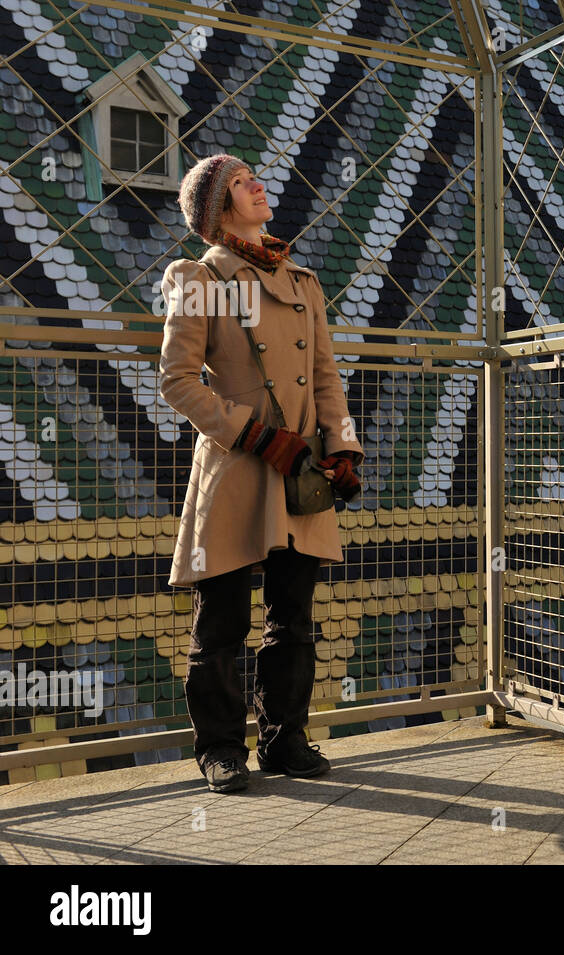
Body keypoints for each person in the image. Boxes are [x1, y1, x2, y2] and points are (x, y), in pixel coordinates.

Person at [160, 153, 365, 793]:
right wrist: (252, 434)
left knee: (293, 616)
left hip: (302, 468)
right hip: (240, 465)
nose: (260, 183)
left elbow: (326, 376)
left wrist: (342, 447)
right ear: (220, 204)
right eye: (244, 180)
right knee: (221, 618)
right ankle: (221, 749)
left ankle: (285, 740)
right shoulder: (200, 277)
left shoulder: (303, 280)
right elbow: (176, 382)